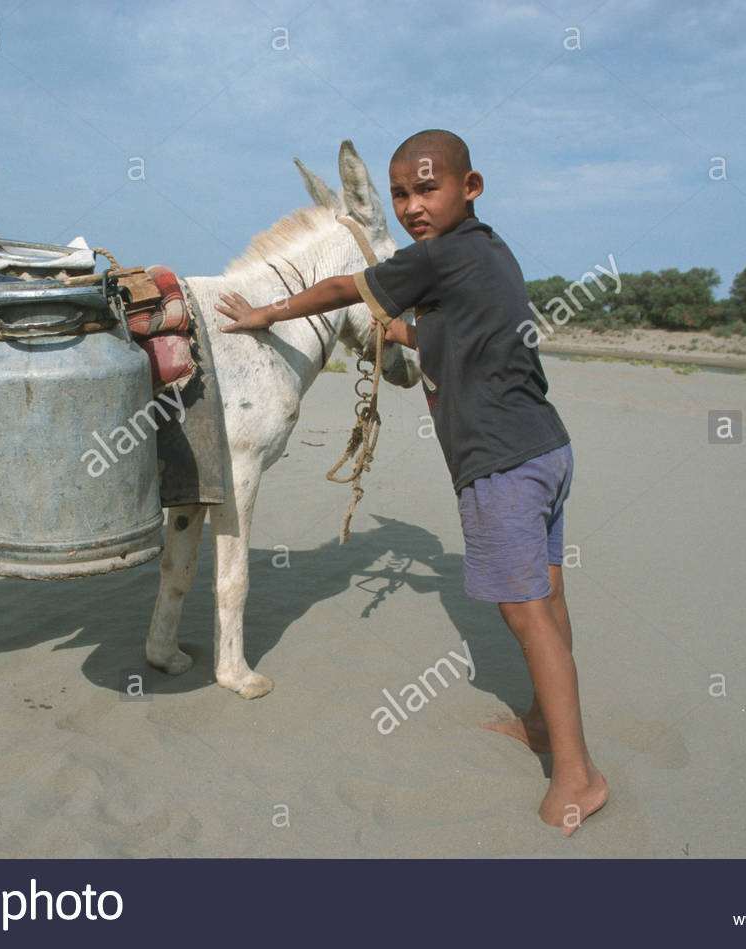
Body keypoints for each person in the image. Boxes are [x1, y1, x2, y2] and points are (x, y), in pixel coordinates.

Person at [217, 129, 607, 836]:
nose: (413, 206)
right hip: (548, 448)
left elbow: (342, 288)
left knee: (523, 613)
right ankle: (546, 725)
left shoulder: (436, 257)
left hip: (501, 461)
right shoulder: (487, 253)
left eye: (427, 189)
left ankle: (578, 772)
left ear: (471, 185)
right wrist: (398, 335)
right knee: (549, 594)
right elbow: (450, 336)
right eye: (401, 194)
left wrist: (265, 312)